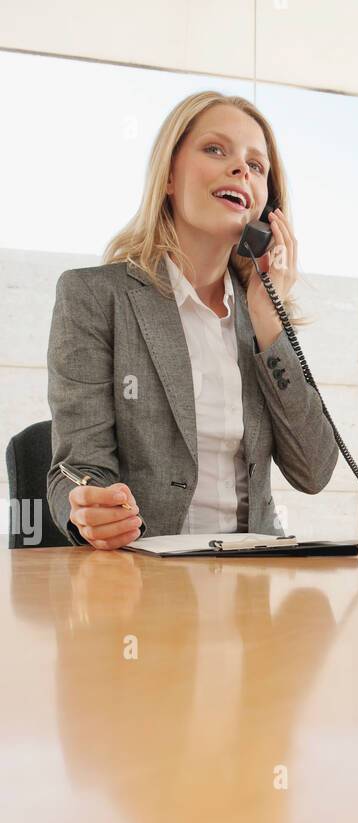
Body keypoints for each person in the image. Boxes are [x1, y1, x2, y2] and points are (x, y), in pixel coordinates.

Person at [46, 90, 339, 549]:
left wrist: (268, 322)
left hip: (255, 583)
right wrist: (87, 506)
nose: (241, 168)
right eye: (215, 149)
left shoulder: (261, 316)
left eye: (257, 165)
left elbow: (314, 469)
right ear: (168, 176)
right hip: (144, 582)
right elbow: (76, 467)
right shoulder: (95, 296)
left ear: (266, 207)